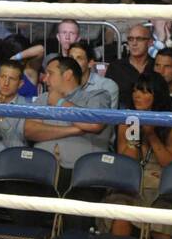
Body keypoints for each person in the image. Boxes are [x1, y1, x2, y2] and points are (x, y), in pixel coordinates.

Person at [111, 71, 172, 239]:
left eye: (144, 92)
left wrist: (151, 134)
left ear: (158, 96)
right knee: (121, 218)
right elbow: (127, 164)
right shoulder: (127, 121)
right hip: (133, 186)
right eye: (135, 91)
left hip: (164, 188)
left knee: (163, 222)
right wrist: (135, 133)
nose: (137, 96)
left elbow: (171, 165)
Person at [23, 56, 111, 192]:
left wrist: (60, 103)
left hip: (83, 175)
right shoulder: (43, 99)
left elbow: (94, 123)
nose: (45, 79)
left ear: (68, 75)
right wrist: (74, 129)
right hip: (42, 171)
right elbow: (30, 130)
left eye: (50, 73)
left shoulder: (97, 96)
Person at [107, 23, 155, 107]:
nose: (134, 43)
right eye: (130, 39)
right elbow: (107, 96)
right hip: (121, 116)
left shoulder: (157, 66)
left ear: (150, 42)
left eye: (139, 39)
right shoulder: (116, 67)